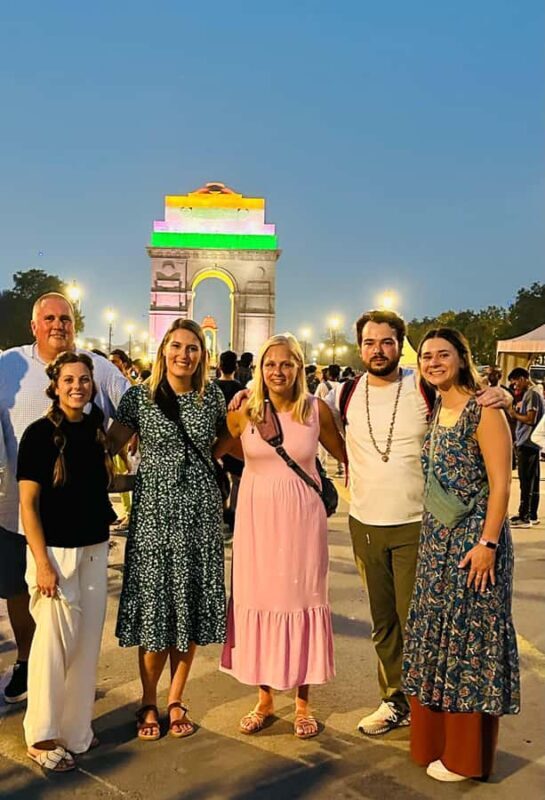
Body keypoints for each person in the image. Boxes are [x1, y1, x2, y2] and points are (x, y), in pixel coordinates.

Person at [326, 309, 511, 736]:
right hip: (364, 522)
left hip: (417, 525)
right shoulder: (345, 393)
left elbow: (467, 398)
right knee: (384, 622)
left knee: (421, 623)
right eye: (370, 342)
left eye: (387, 342)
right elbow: (313, 422)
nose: (378, 350)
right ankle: (394, 701)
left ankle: (425, 704)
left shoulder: (422, 387)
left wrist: (497, 395)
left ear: (399, 346)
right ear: (359, 348)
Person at [0, 292, 129, 705]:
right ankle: (26, 660)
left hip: (70, 518)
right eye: (50, 318)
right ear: (34, 326)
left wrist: (105, 450)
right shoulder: (8, 365)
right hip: (12, 505)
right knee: (17, 593)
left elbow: (133, 407)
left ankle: (60, 680)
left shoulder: (97, 367)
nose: (59, 325)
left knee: (64, 609)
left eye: (67, 319)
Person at [402, 328, 519, 782]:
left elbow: (502, 485)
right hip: (436, 545)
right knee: (437, 639)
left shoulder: (483, 411)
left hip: (474, 546)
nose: (433, 362)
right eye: (427, 356)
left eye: (443, 354)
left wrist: (488, 544)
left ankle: (465, 757)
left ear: (462, 358)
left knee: (469, 643)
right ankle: (435, 741)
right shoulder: (439, 409)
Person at [216, 334, 345, 738]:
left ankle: (303, 702)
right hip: (256, 521)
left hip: (303, 522)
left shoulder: (316, 411)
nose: (278, 371)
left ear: (299, 368)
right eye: (270, 364)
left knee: (301, 599)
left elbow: (347, 454)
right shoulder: (244, 412)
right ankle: (266, 699)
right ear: (259, 370)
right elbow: (219, 448)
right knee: (261, 599)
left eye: (287, 364)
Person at [107, 319, 227, 741]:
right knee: (157, 609)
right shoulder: (139, 398)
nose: (184, 355)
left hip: (198, 515)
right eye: (176, 346)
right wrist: (120, 481)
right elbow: (111, 446)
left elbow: (224, 442)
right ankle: (148, 699)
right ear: (163, 351)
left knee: (187, 607)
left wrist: (208, 468)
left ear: (203, 354)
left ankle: (175, 698)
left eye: (193, 348)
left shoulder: (212, 396)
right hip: (155, 516)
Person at [17, 353, 116, 772]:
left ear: (93, 385)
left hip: (94, 551)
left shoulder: (96, 429)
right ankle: (41, 736)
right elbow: (28, 504)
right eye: (69, 379)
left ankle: (76, 731)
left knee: (86, 647)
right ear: (55, 385)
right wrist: (41, 564)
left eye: (85, 380)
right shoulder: (38, 435)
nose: (78, 386)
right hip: (56, 555)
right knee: (51, 649)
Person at [507, 367, 544, 527]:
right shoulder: (534, 393)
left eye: (515, 383)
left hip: (528, 443)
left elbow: (530, 419)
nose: (515, 386)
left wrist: (513, 413)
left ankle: (525, 516)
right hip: (530, 443)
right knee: (532, 480)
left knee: (526, 480)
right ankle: (531, 514)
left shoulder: (531, 394)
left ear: (522, 378)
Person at [214, 351, 244, 536]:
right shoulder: (240, 389)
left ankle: (221, 513)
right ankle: (232, 514)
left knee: (218, 477)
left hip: (215, 440)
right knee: (236, 480)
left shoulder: (212, 388)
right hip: (234, 440)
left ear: (219, 365)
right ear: (236, 367)